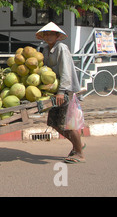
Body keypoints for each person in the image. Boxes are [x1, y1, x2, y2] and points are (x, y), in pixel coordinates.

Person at [36, 22, 86, 164]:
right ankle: (79, 145)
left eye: (51, 34)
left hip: (65, 90)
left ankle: (80, 153)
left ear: (57, 36)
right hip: (55, 91)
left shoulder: (61, 48)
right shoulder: (45, 50)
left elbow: (66, 72)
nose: (48, 36)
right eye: (46, 34)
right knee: (54, 123)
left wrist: (61, 91)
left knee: (67, 124)